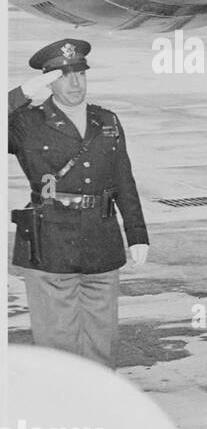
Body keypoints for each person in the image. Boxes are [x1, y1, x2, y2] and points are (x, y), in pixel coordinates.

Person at [8, 39, 149, 369]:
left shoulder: (107, 121)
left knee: (103, 342)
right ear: (48, 82)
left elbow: (123, 181)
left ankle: (97, 410)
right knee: (59, 346)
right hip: (50, 243)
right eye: (63, 75)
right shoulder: (27, 123)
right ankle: (65, 412)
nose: (75, 83)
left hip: (101, 240)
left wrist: (137, 233)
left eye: (80, 74)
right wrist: (22, 93)